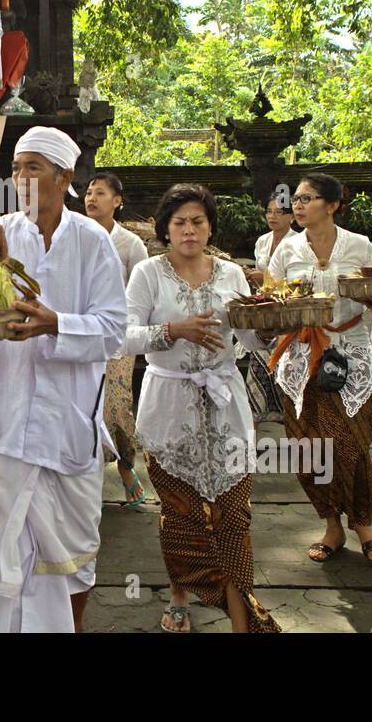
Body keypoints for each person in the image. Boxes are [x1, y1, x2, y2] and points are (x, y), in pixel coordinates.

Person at [0, 126, 127, 633]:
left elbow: (112, 330)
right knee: (6, 557)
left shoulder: (92, 241)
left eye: (33, 167)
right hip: (4, 429)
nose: (20, 177)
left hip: (67, 428)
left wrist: (56, 323)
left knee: (75, 558)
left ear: (64, 178)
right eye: (16, 167)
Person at [126, 184, 281, 633]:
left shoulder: (232, 274)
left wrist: (267, 331)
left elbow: (248, 339)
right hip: (168, 406)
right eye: (180, 223)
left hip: (225, 404)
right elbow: (124, 335)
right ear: (165, 230)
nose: (189, 230)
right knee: (182, 516)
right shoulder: (148, 273)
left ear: (209, 226)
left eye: (197, 221)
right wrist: (174, 330)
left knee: (234, 513)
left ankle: (241, 617)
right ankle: (181, 593)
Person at [267, 173, 372, 564]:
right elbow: (272, 299)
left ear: (334, 204)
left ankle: (363, 522)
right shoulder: (287, 249)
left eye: (307, 199)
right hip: (300, 357)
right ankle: (331, 525)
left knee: (351, 442)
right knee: (307, 447)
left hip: (348, 353)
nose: (297, 206)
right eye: (295, 200)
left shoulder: (360, 246)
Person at [84, 170, 148, 504]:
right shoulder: (74, 235)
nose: (91, 198)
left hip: (119, 335)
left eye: (100, 193)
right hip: (82, 333)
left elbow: (142, 293)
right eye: (89, 192)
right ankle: (85, 474)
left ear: (117, 201)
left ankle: (125, 463)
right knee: (83, 403)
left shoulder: (131, 244)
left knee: (116, 404)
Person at [242, 191, 300, 427]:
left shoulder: (298, 242)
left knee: (285, 370)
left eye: (280, 212)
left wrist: (264, 277)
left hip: (287, 313)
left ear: (291, 217)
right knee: (258, 363)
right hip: (265, 313)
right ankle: (254, 424)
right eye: (269, 211)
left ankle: (291, 420)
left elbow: (298, 283)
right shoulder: (262, 241)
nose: (273, 216)